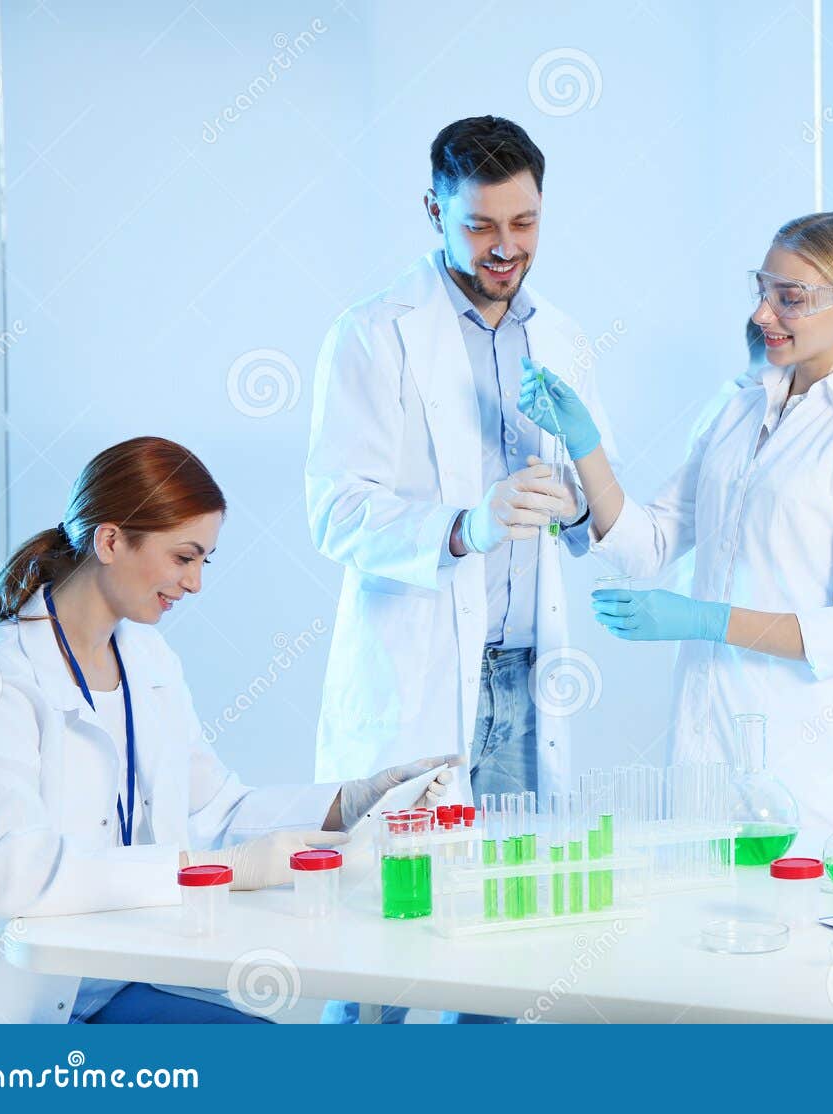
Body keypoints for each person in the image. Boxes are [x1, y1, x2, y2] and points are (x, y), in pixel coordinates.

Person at [0, 438, 447, 1023]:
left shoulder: (148, 659)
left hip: (119, 982)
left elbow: (217, 809)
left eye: (203, 561)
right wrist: (222, 870)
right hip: (15, 1007)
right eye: (183, 557)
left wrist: (353, 798)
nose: (195, 583)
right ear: (111, 540)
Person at [306, 115, 615, 1023]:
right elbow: (334, 509)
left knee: (508, 951)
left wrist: (576, 506)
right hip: (418, 679)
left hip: (524, 683)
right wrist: (463, 526)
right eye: (481, 225)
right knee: (382, 956)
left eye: (523, 224)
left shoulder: (562, 335)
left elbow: (596, 501)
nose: (504, 247)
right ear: (433, 211)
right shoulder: (372, 334)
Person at [518, 211, 833, 853]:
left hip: (805, 775)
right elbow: (648, 544)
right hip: (704, 758)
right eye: (763, 290)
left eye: (790, 298)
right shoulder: (738, 409)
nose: (764, 314)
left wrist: (707, 619)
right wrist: (585, 446)